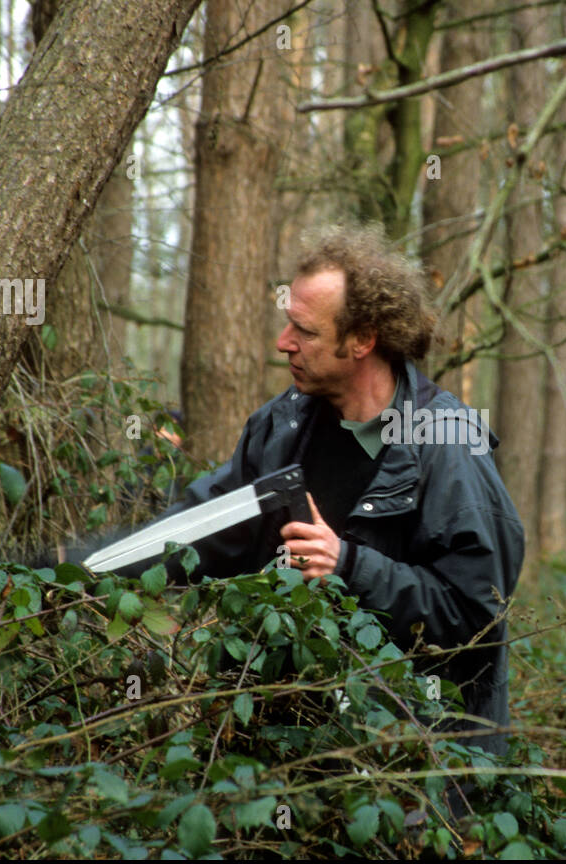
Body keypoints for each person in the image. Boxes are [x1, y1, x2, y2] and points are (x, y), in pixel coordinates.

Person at [119, 225, 525, 758]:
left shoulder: (447, 441)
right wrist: (78, 570)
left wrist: (349, 565)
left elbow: (476, 613)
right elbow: (204, 526)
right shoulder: (282, 425)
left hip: (418, 764)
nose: (283, 342)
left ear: (361, 339)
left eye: (303, 330)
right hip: (292, 749)